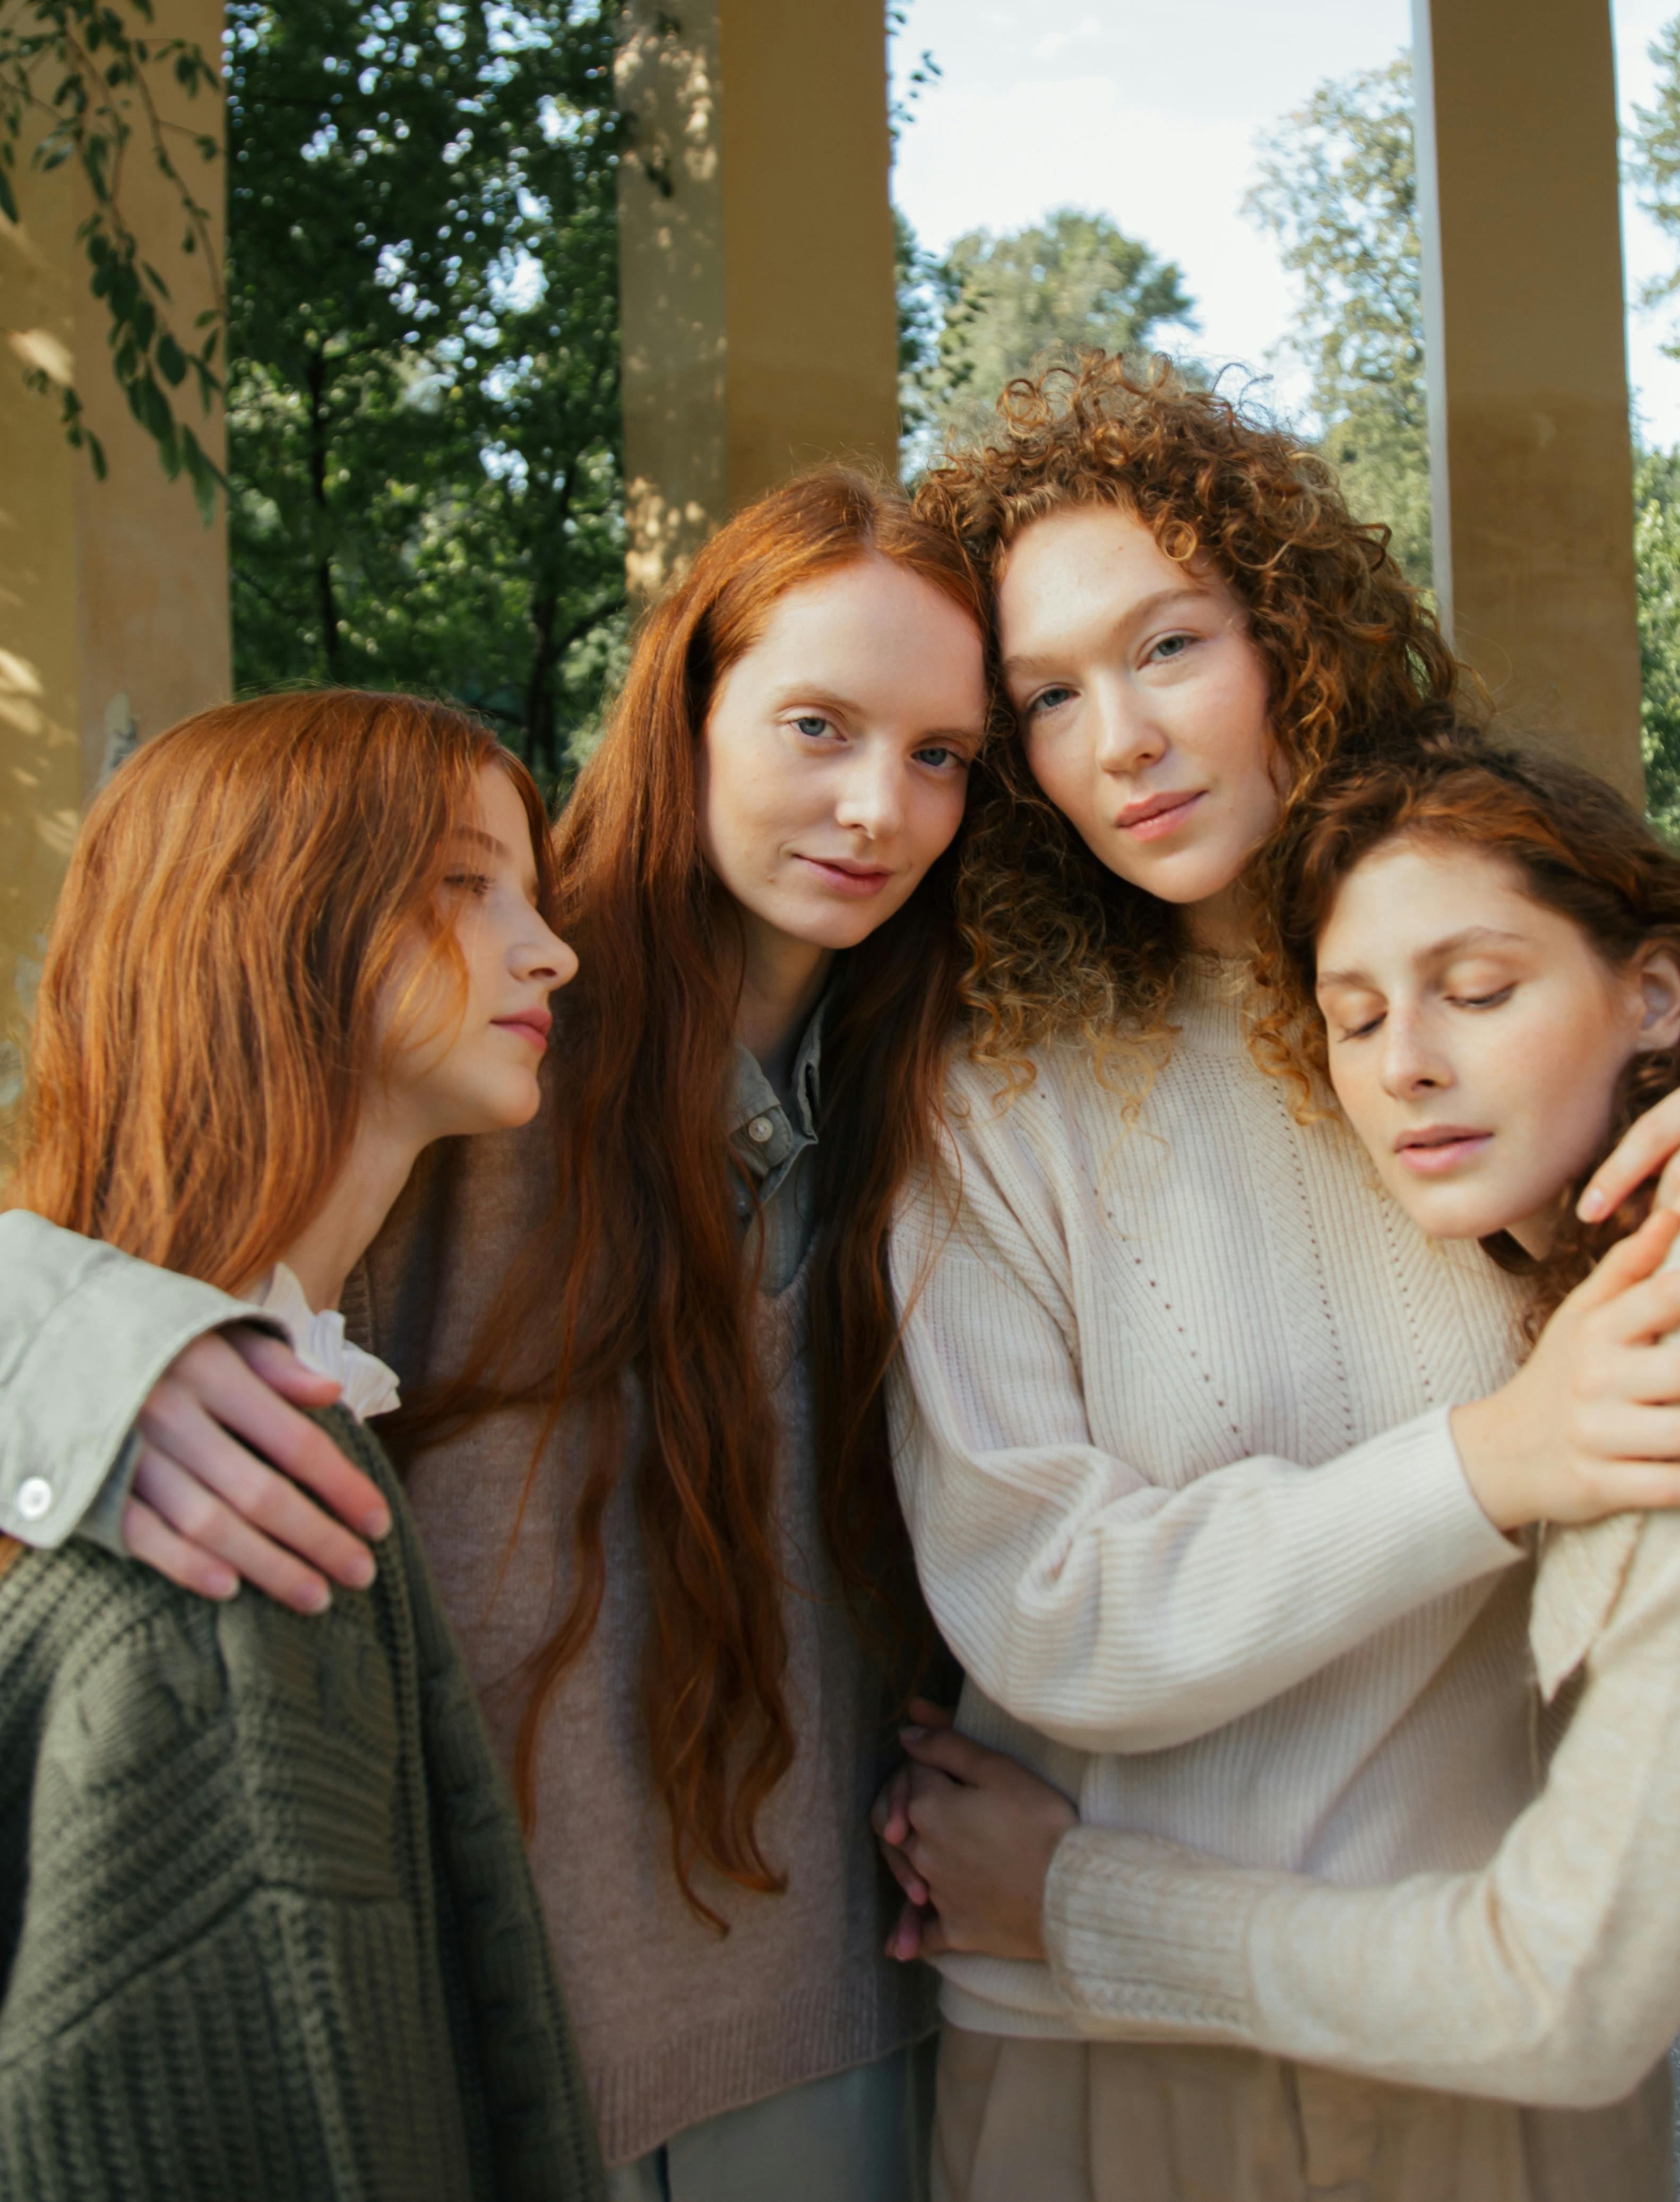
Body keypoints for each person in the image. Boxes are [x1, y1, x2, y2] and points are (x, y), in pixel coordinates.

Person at [877, 359, 1680, 2202]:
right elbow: (1041, 1604)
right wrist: (1497, 1461)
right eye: (1045, 695)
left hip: (1497, 2013)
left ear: (1288, 634)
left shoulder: (1503, 1017)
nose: (1121, 736)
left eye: (1168, 643)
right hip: (1104, 2042)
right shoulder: (997, 1091)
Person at [0, 470, 989, 2199]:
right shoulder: (471, 1033)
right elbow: (121, 1165)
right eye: (818, 723)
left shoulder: (960, 1085)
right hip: (491, 2060)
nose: (875, 807)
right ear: (684, 715)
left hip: (854, 2036)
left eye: (941, 756)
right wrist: (90, 1348)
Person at [0, 689, 600, 2202]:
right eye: (466, 883)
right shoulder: (215, 1510)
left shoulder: (245, 1379)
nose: (551, 949)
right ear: (268, 923)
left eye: (531, 891)